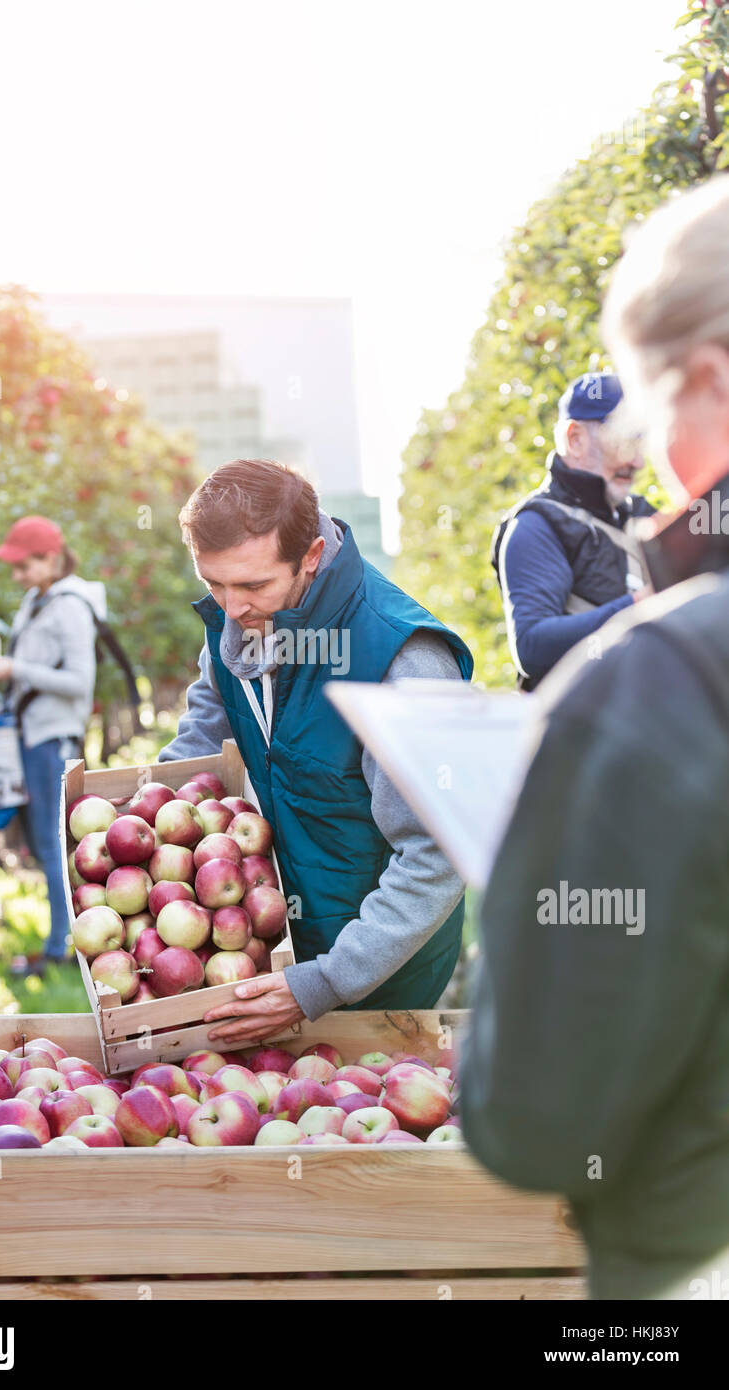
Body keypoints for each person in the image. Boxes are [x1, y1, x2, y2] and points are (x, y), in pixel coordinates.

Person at [460, 175, 729, 1300]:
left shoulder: (668, 681)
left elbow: (531, 1118)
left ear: (703, 382)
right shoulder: (546, 530)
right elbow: (532, 636)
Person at [156, 458, 474, 1046]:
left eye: (253, 585)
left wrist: (325, 982)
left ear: (311, 554)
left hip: (381, 966)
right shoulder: (238, 627)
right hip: (266, 946)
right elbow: (199, 744)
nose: (231, 607)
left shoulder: (400, 663)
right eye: (213, 584)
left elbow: (439, 852)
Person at [0, 515, 103, 974]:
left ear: (50, 558)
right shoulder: (37, 600)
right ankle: (63, 939)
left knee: (53, 845)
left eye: (23, 566)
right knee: (42, 842)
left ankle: (61, 948)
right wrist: (0, 670)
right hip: (29, 736)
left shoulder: (70, 606)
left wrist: (16, 670)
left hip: (53, 739)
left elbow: (79, 683)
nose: (17, 576)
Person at [490, 371, 657, 688]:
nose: (636, 461)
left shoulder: (641, 513)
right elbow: (531, 647)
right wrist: (641, 605)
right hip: (583, 730)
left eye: (641, 440)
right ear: (575, 439)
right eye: (624, 440)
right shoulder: (535, 526)